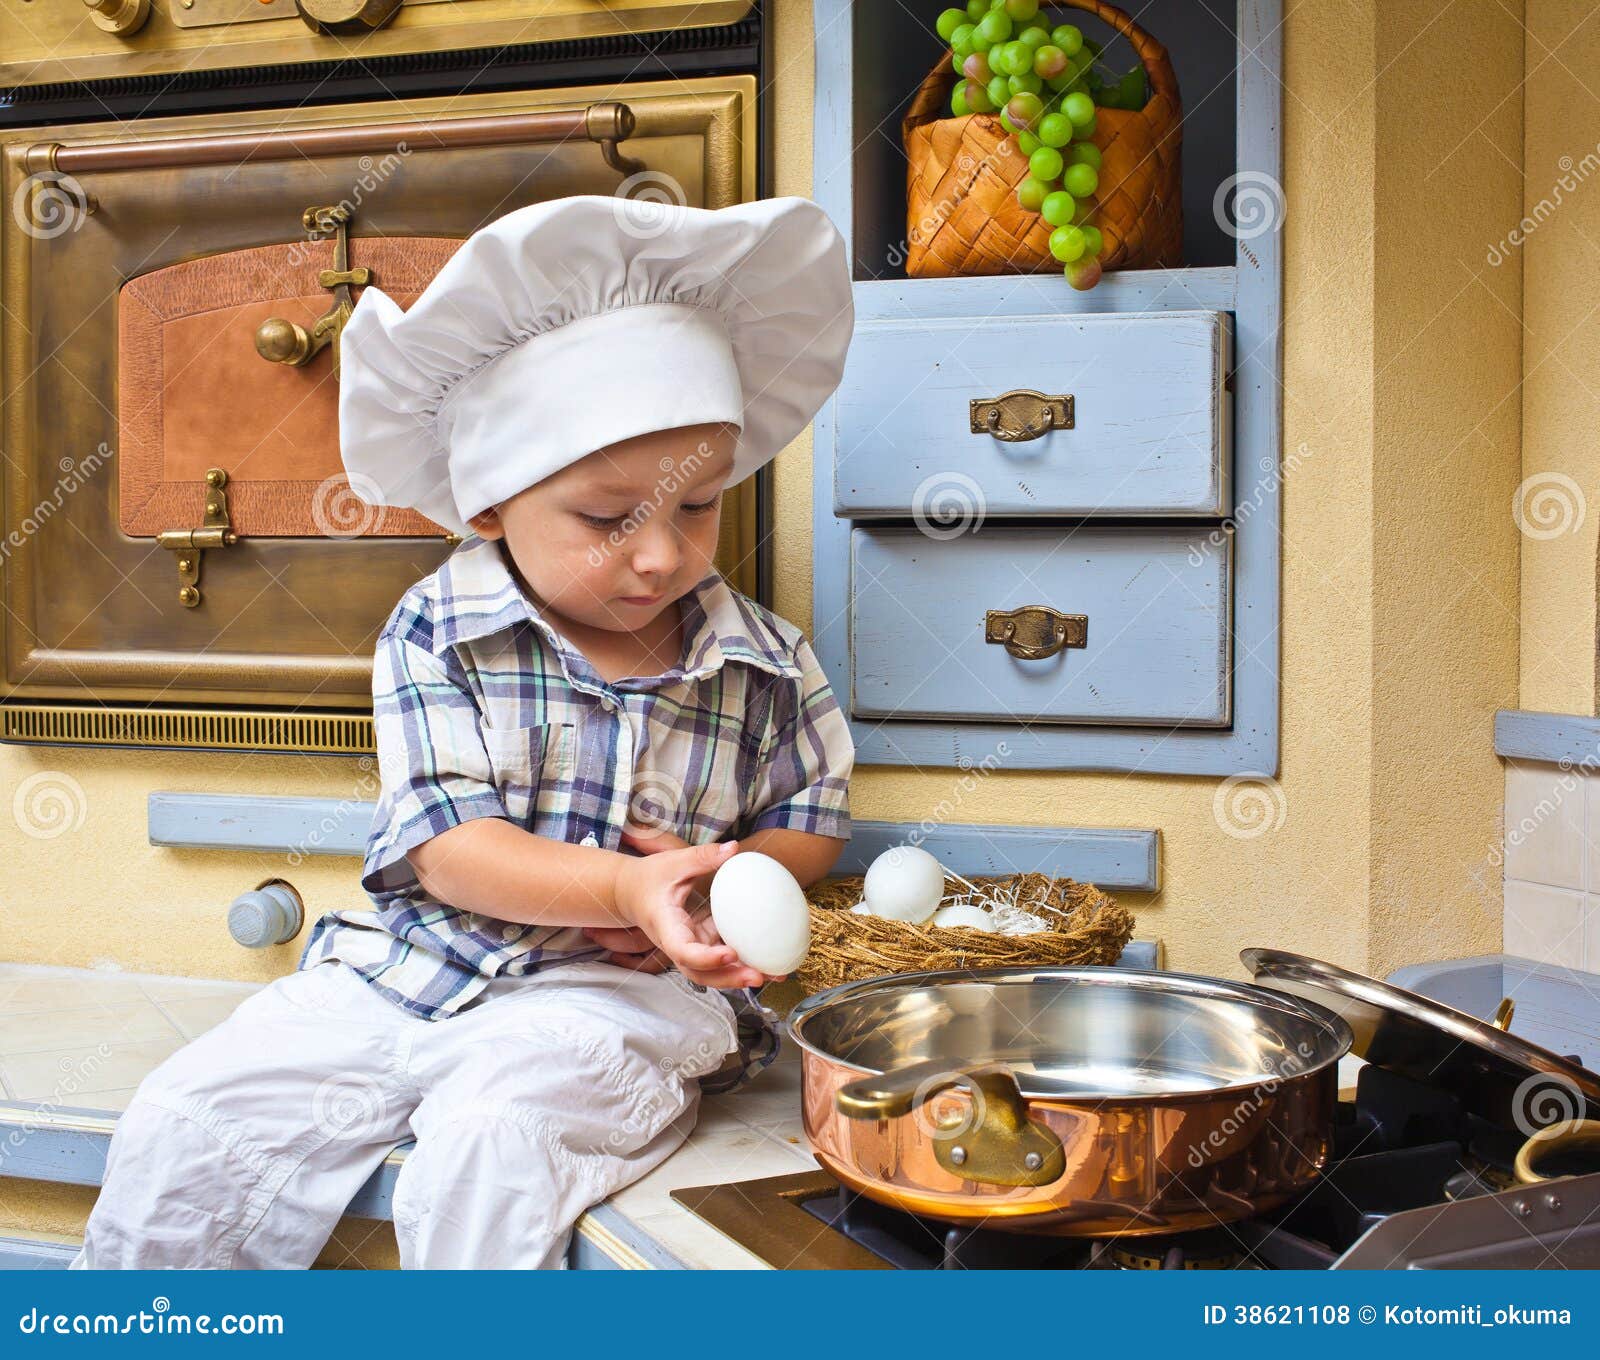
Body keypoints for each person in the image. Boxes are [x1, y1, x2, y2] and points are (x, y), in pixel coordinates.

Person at [70, 193, 856, 1269]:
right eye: (605, 517)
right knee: (192, 1116)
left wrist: (728, 881)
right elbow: (449, 845)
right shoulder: (439, 632)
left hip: (616, 1000)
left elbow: (811, 821)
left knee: (496, 1143)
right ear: (488, 504)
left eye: (695, 505)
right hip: (412, 970)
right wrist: (623, 887)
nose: (661, 556)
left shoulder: (763, 658)